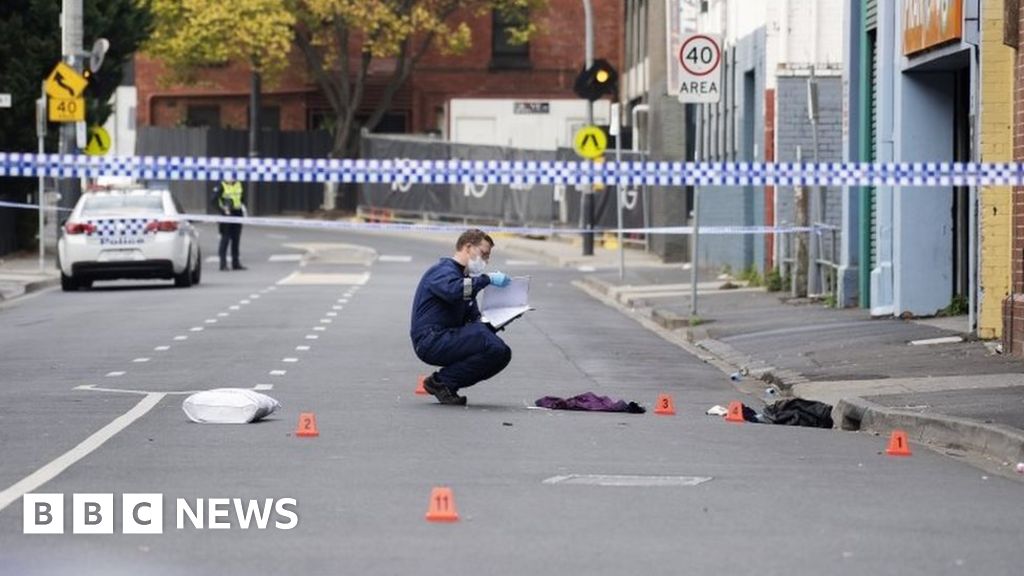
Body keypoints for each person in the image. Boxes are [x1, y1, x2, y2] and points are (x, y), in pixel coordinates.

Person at [410, 229, 513, 405]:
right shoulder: (443, 271)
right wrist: (486, 279)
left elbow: (475, 323)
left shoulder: (465, 279)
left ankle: (445, 383)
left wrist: (502, 318)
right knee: (491, 344)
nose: (486, 261)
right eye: (483, 254)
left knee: (500, 353)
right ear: (468, 247)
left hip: (447, 336)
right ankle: (440, 382)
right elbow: (454, 291)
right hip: (430, 339)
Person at [211, 178, 247, 271]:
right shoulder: (221, 185)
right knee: (225, 239)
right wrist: (223, 209)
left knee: (236, 239)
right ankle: (223, 264)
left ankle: (236, 263)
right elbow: (213, 200)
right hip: (226, 214)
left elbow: (242, 198)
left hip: (238, 213)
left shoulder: (239, 184)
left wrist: (242, 209)